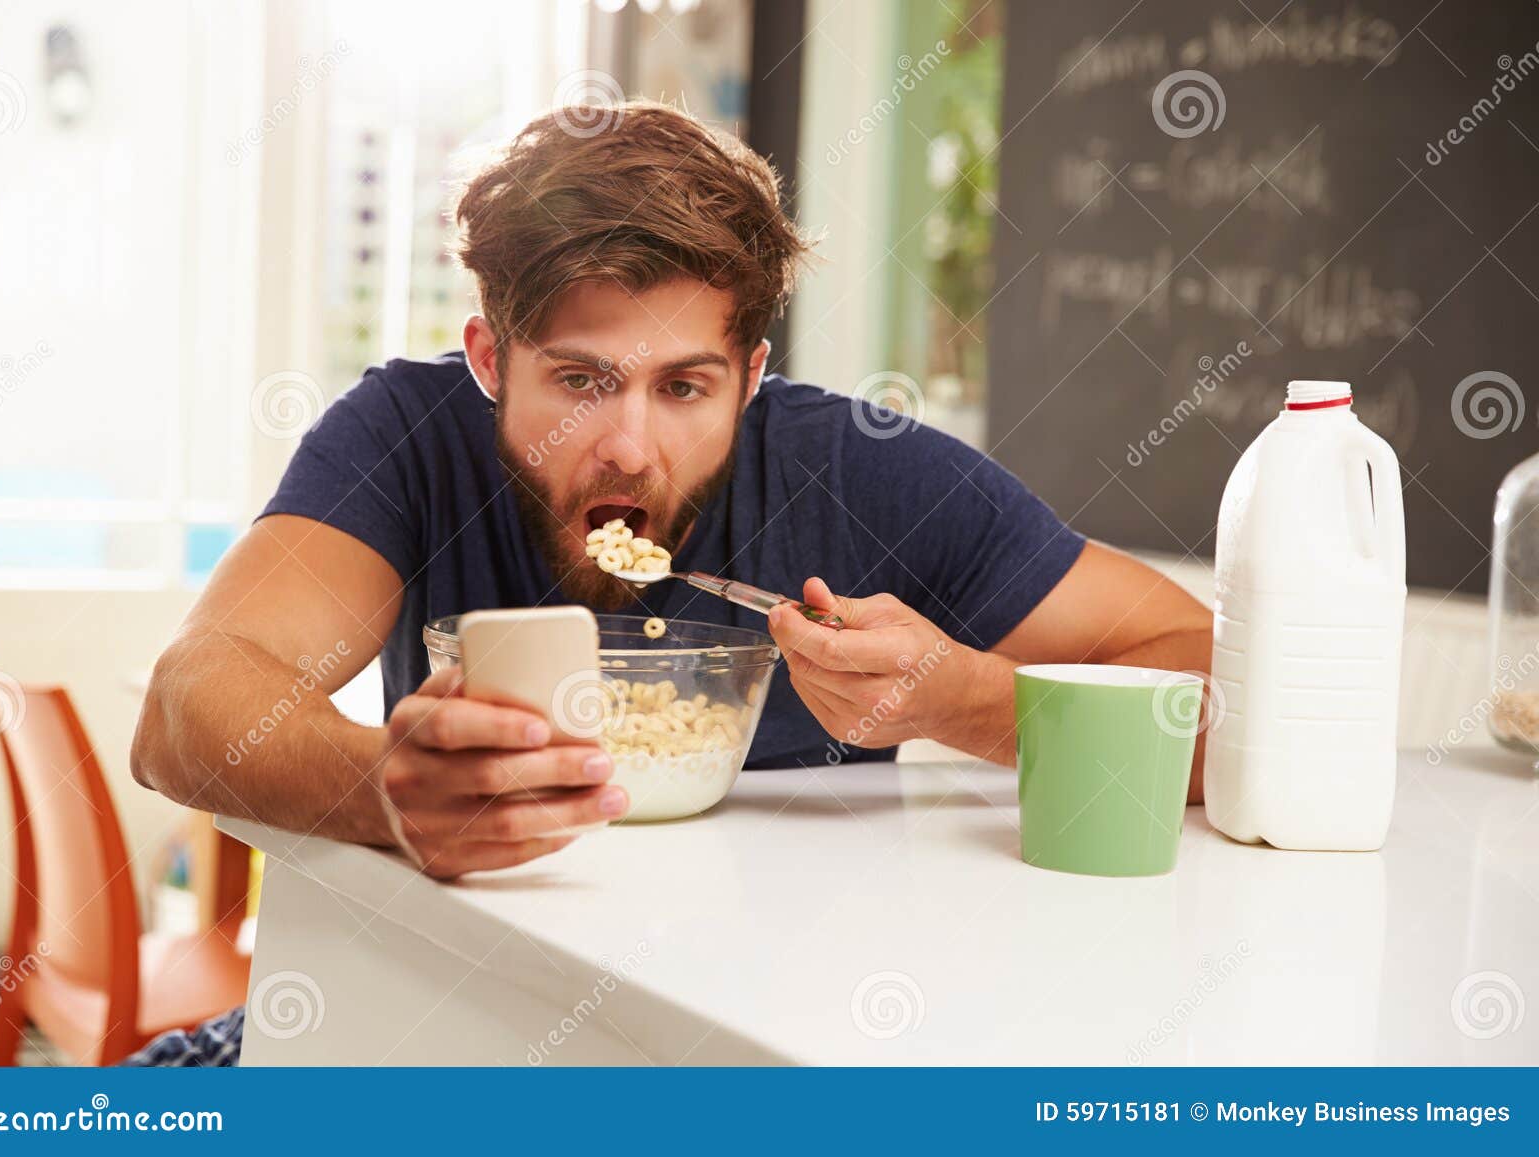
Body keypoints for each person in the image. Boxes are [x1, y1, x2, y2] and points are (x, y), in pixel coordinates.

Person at [127, 101, 1209, 1064]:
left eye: (684, 385)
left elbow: (1207, 687)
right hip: (446, 1029)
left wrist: (963, 698)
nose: (630, 449)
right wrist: (385, 788)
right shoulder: (406, 437)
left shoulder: (866, 470)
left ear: (751, 375)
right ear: (491, 360)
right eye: (580, 380)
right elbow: (186, 708)